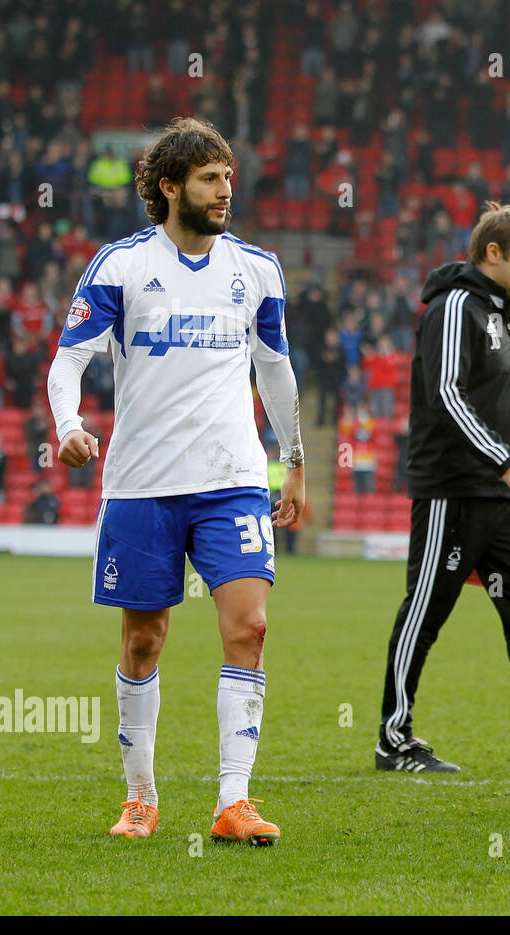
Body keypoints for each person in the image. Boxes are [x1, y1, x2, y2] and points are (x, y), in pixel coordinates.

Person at [45, 117, 305, 844]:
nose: (227, 190)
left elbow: (276, 369)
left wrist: (295, 462)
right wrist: (68, 426)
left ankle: (234, 801)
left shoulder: (256, 269)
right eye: (210, 178)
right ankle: (141, 797)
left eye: (229, 176)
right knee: (144, 642)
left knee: (249, 628)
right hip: (142, 484)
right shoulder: (121, 265)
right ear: (169, 187)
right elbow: (69, 360)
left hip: (233, 480)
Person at [375, 204, 510, 774]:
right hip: (453, 491)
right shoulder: (457, 305)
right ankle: (393, 739)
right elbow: (447, 391)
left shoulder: (505, 313)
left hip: (501, 496)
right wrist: (507, 459)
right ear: (493, 254)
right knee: (426, 611)